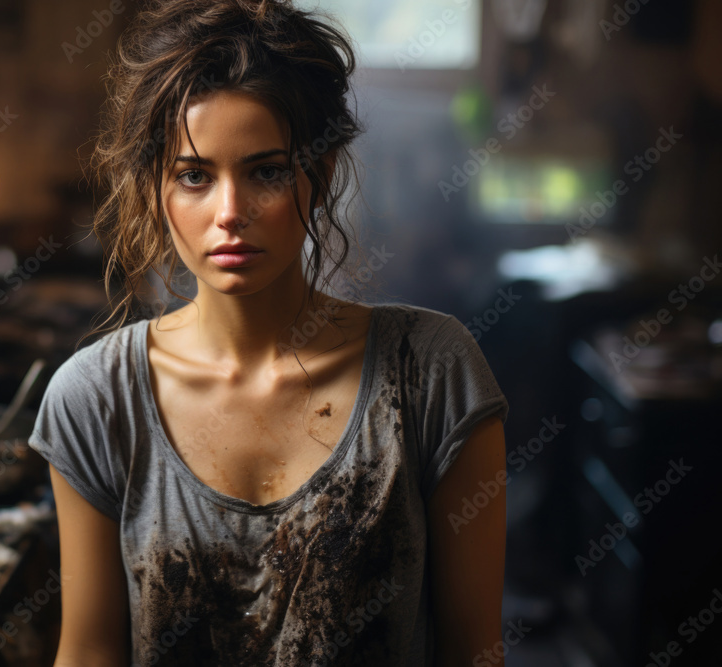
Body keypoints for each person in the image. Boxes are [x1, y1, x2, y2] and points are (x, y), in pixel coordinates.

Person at [28, 0, 510, 665]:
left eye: (267, 171)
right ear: (154, 188)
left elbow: (475, 651)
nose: (230, 213)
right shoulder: (95, 398)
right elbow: (88, 652)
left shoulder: (431, 373)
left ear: (324, 174)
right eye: (194, 176)